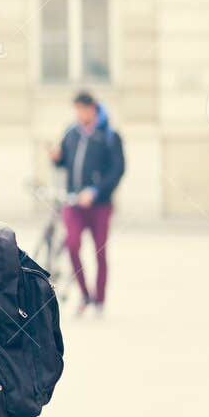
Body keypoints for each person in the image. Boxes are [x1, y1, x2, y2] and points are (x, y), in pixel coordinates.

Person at [50, 90, 125, 316]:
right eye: (76, 110)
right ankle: (84, 294)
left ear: (92, 108)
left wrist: (95, 192)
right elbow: (64, 161)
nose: (79, 114)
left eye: (82, 109)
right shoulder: (71, 132)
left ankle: (99, 300)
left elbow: (118, 169)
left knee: (100, 252)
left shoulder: (110, 135)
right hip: (73, 202)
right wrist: (56, 158)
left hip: (99, 205)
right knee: (72, 245)